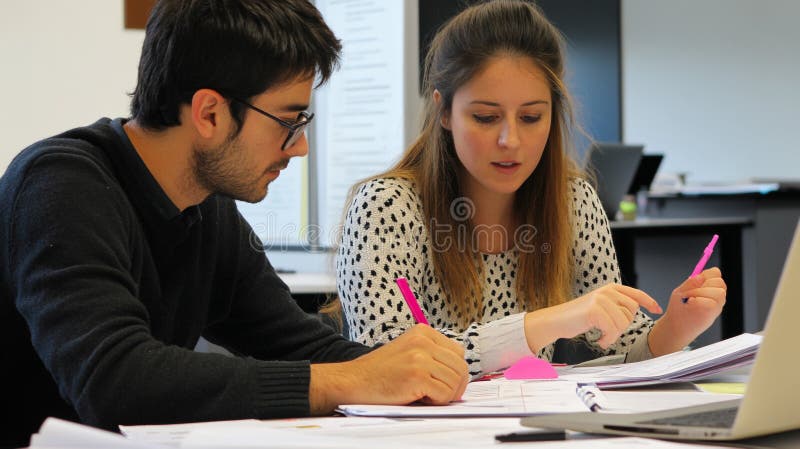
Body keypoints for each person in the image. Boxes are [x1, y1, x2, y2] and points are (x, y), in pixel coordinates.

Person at [0, 1, 468, 446]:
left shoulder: (207, 208)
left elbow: (295, 343)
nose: (299, 147)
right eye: (289, 121)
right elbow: (115, 381)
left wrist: (410, 372)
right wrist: (350, 380)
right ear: (209, 113)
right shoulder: (60, 185)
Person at [334, 0, 726, 378]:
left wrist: (677, 325)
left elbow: (623, 349)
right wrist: (544, 324)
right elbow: (387, 362)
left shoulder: (573, 202)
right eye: (486, 117)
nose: (511, 140)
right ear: (443, 112)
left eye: (531, 116)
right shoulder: (385, 207)